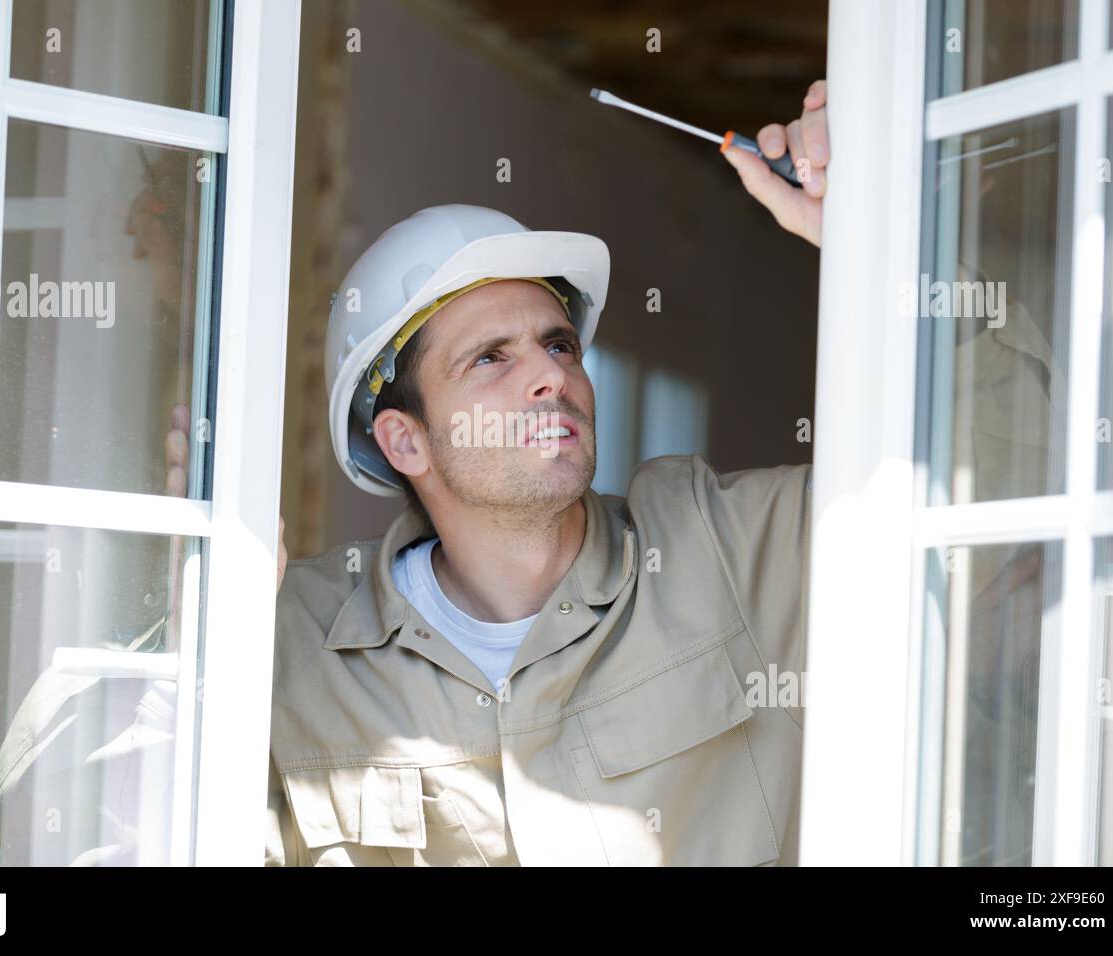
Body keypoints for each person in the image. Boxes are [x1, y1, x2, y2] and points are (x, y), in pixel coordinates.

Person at [263, 82, 831, 866]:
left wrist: (886, 242)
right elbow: (122, 825)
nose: (550, 376)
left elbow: (985, 475)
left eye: (559, 345)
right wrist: (172, 599)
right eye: (490, 358)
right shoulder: (293, 641)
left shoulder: (725, 549)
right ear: (405, 443)